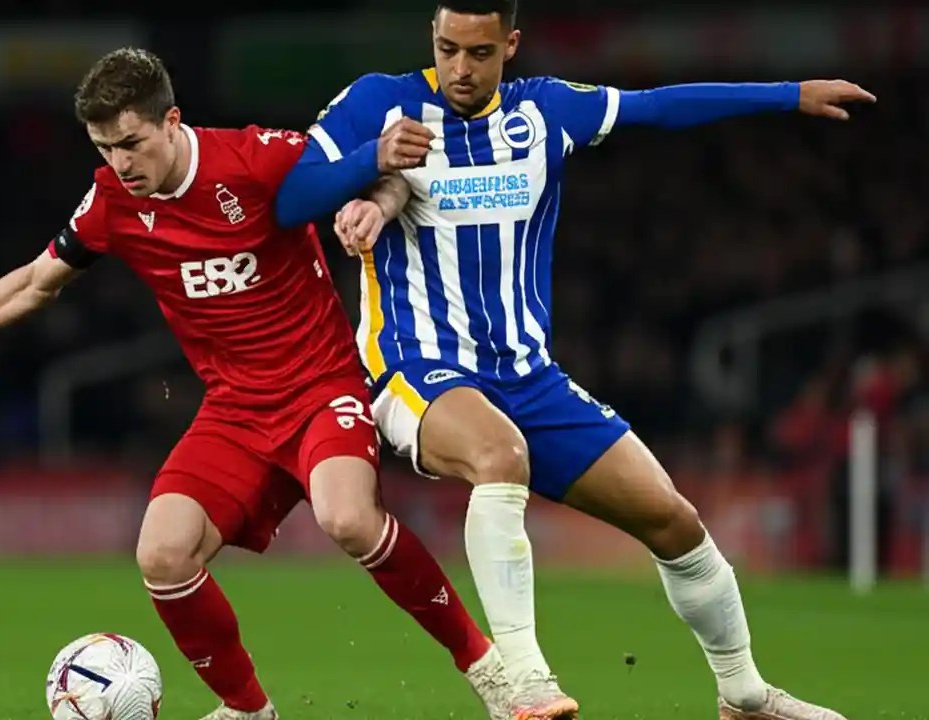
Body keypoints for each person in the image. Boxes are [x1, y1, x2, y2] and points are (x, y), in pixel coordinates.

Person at [0, 47, 512, 720]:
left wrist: (375, 205)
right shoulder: (112, 201)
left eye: (131, 143)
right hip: (234, 409)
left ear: (172, 121)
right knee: (163, 554)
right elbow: (35, 283)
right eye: (104, 148)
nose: (120, 163)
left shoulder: (257, 158)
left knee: (347, 517)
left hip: (323, 387)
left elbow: (390, 173)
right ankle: (248, 710)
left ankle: (487, 668)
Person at [273, 1, 877, 718]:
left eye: (479, 52)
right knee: (499, 455)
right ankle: (526, 684)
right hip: (416, 368)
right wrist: (368, 166)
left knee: (673, 521)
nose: (460, 69)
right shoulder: (378, 102)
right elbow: (289, 200)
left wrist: (788, 95)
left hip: (530, 378)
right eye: (447, 48)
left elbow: (659, 108)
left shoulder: (546, 111)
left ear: (511, 45)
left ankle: (744, 695)